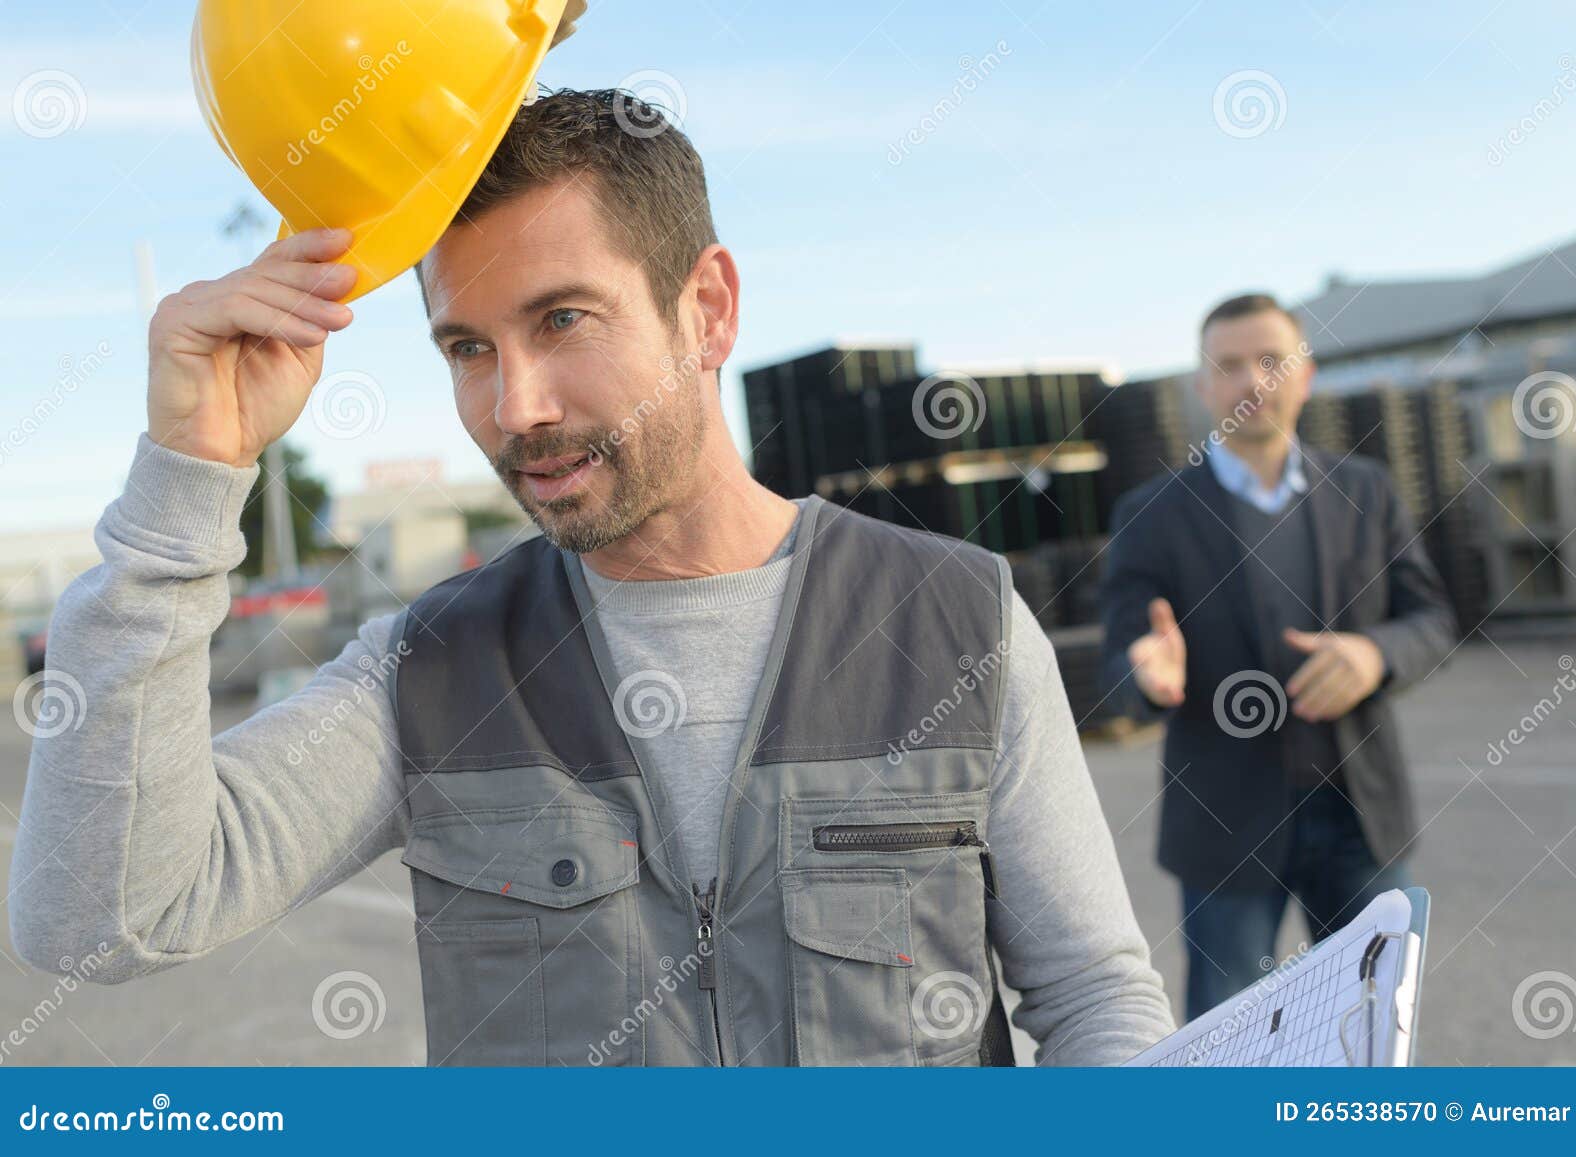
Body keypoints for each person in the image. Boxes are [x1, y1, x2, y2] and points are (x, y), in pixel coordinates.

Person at [9, 89, 1174, 1067]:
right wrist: (188, 479)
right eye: (469, 348)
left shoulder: (953, 619)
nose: (514, 407)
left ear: (705, 308)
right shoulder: (431, 669)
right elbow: (103, 916)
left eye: (563, 318)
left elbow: (1092, 998)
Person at [1099, 293, 1457, 1022]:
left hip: (1362, 815)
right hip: (1227, 822)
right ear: (1202, 387)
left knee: (1376, 1025)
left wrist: (1373, 653)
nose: (1251, 380)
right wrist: (1146, 671)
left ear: (1306, 375)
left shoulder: (1366, 490)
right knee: (1232, 1038)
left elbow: (1434, 618)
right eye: (1229, 365)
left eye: (1272, 360)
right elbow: (1121, 654)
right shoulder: (1151, 514)